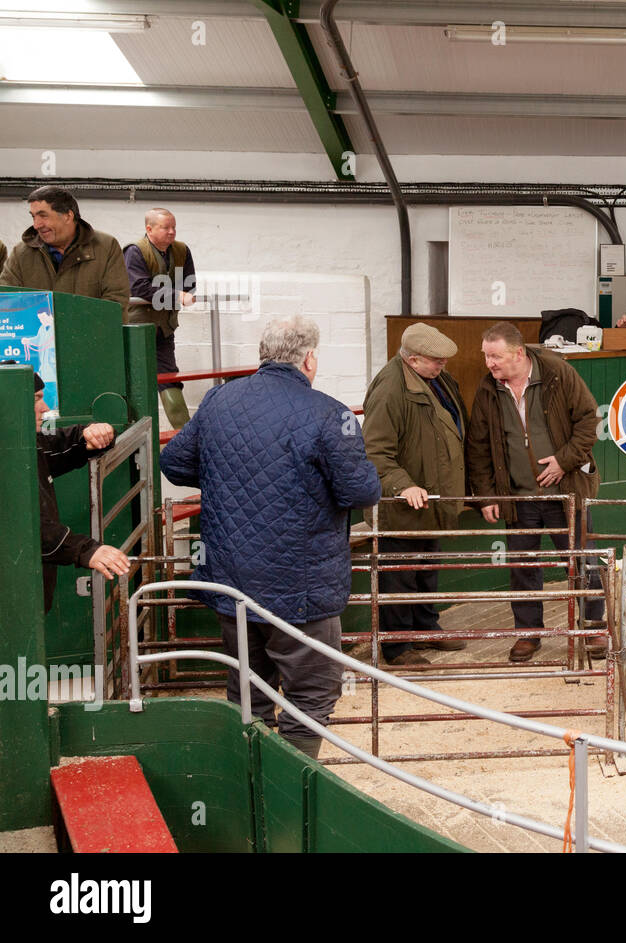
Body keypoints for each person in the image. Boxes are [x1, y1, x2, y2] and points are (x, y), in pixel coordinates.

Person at [159, 316, 381, 758]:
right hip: (301, 585)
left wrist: (231, 479)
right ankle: (292, 784)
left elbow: (175, 463)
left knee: (249, 691)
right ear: (309, 358)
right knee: (311, 693)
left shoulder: (219, 400)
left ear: (264, 354)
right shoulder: (330, 413)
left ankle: (251, 782)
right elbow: (360, 491)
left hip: (231, 581)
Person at [465, 321, 603, 664]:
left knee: (583, 560)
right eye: (486, 356)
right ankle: (528, 633)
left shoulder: (558, 373)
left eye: (495, 356)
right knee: (523, 566)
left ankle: (594, 627)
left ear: (518, 353)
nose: (489, 363)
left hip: (565, 491)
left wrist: (563, 461)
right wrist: (486, 496)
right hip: (518, 496)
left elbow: (589, 420)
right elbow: (478, 446)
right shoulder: (488, 388)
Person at [362, 323, 468, 666]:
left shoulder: (437, 379)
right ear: (412, 359)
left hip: (431, 502)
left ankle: (425, 628)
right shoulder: (390, 389)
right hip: (402, 505)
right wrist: (402, 485)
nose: (443, 365)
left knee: (425, 569)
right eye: (436, 360)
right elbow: (374, 451)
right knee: (399, 576)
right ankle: (397, 646)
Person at [13, 364, 131, 612]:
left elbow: (55, 444)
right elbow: (25, 527)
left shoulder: (21, 440)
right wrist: (85, 550)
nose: (45, 408)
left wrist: (91, 435)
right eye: (35, 399)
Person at [123, 208, 198, 430]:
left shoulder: (181, 251)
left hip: (165, 328)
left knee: (168, 378)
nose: (172, 232)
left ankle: (183, 434)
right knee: (134, 382)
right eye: (166, 227)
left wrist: (179, 294)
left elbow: (189, 284)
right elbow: (139, 287)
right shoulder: (135, 251)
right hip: (137, 328)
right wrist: (175, 296)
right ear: (149, 229)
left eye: (174, 227)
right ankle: (132, 435)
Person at [0, 186, 129, 312]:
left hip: (91, 327)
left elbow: (116, 302)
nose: (36, 225)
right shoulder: (20, 253)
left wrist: (73, 324)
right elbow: (5, 301)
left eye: (43, 216)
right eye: (33, 217)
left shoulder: (106, 247)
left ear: (68, 216)